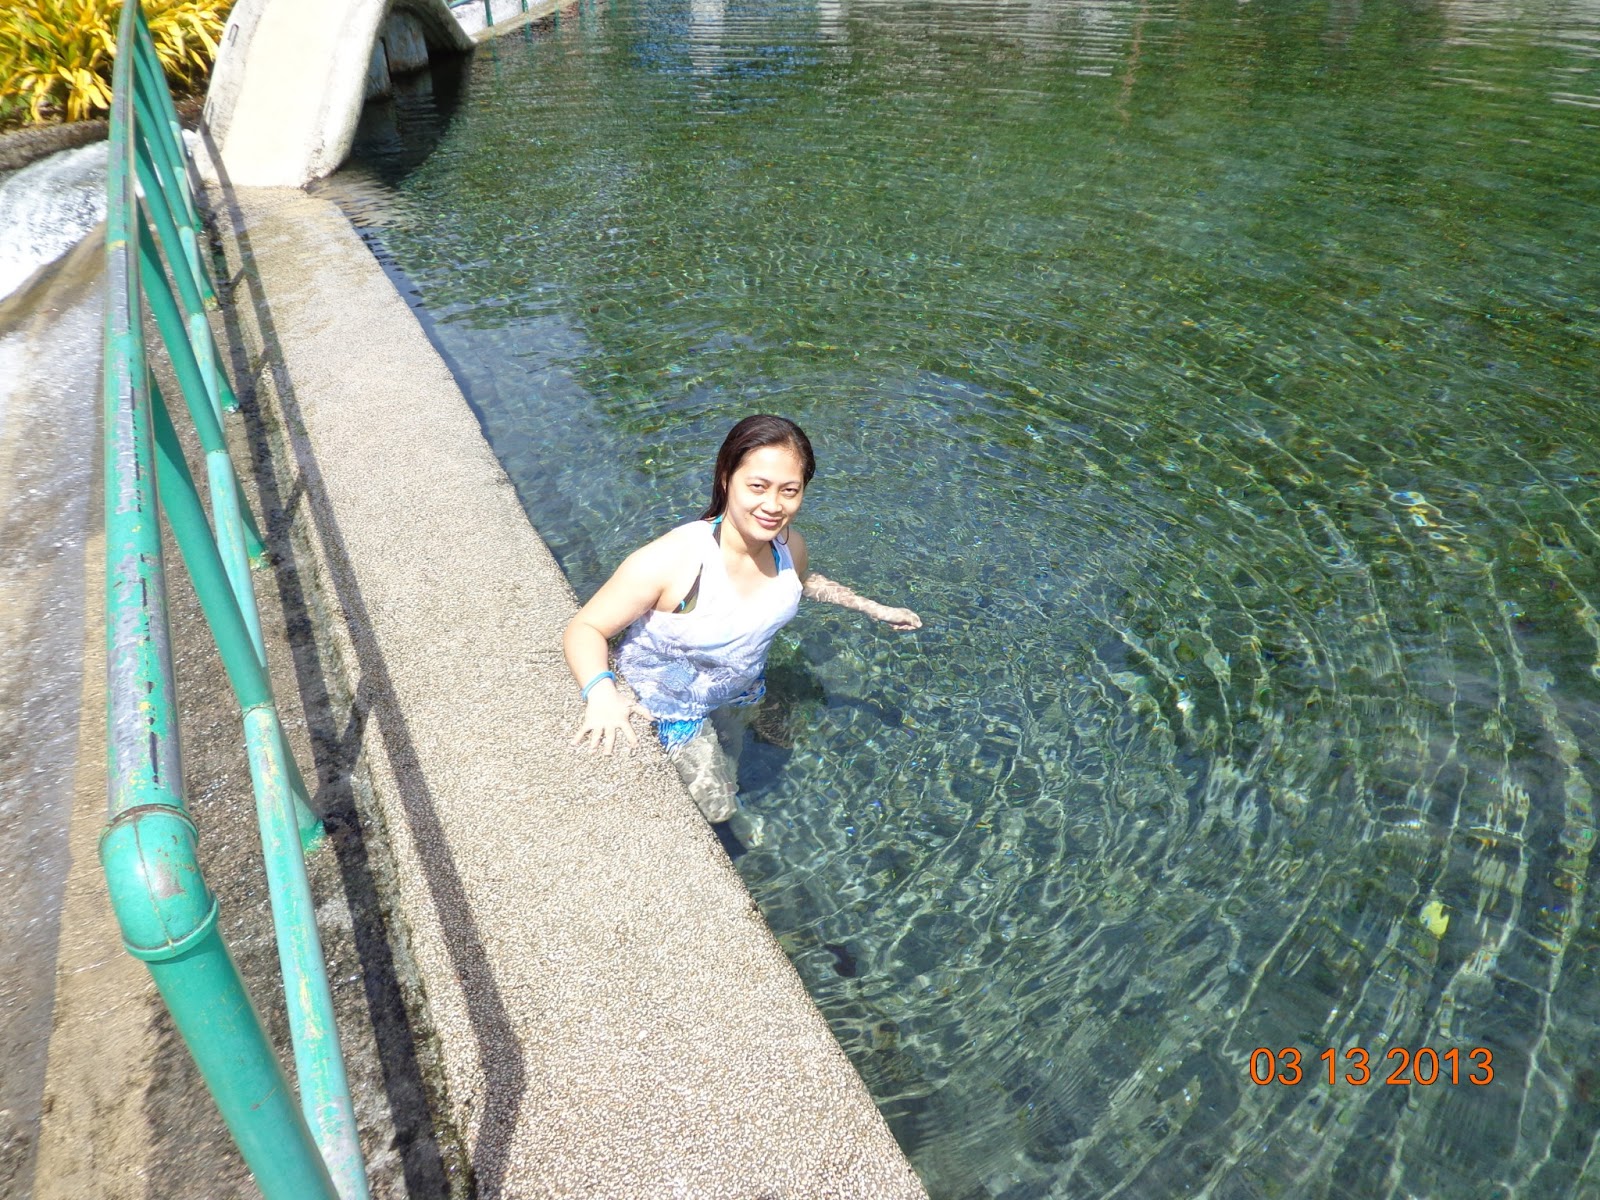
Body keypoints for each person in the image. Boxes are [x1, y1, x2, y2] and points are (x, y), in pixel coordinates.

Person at [563, 414, 921, 829]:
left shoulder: (789, 545)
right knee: (719, 807)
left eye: (789, 490)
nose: (773, 505)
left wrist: (873, 608)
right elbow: (586, 628)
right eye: (758, 486)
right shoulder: (674, 560)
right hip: (671, 702)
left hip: (740, 687)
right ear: (725, 479)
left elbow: (801, 581)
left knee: (758, 753)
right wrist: (601, 694)